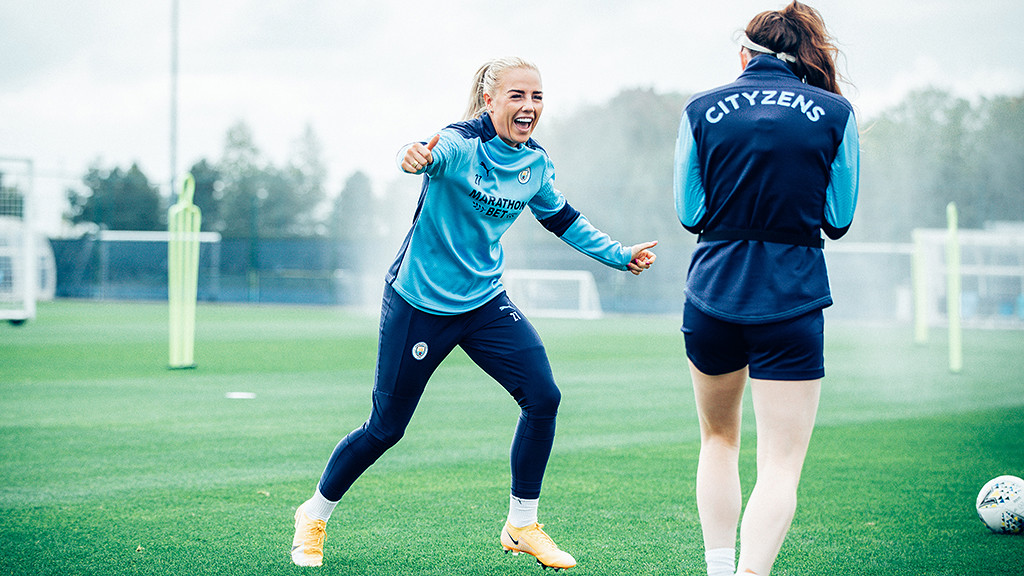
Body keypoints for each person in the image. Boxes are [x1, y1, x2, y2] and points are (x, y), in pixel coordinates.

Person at [290, 56, 657, 570]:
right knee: (386, 428)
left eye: (537, 97)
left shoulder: (535, 164)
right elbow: (416, 151)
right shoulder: (460, 144)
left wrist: (620, 255)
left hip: (485, 304)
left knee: (543, 396)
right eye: (517, 96)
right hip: (419, 303)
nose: (529, 107)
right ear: (490, 100)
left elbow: (565, 221)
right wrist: (411, 156)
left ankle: (522, 525)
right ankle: (315, 513)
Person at [673, 3, 859, 576]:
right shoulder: (835, 112)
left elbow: (690, 210)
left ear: (744, 54)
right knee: (780, 466)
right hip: (792, 297)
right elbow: (838, 216)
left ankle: (717, 568)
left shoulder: (699, 108)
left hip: (711, 295)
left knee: (718, 441)